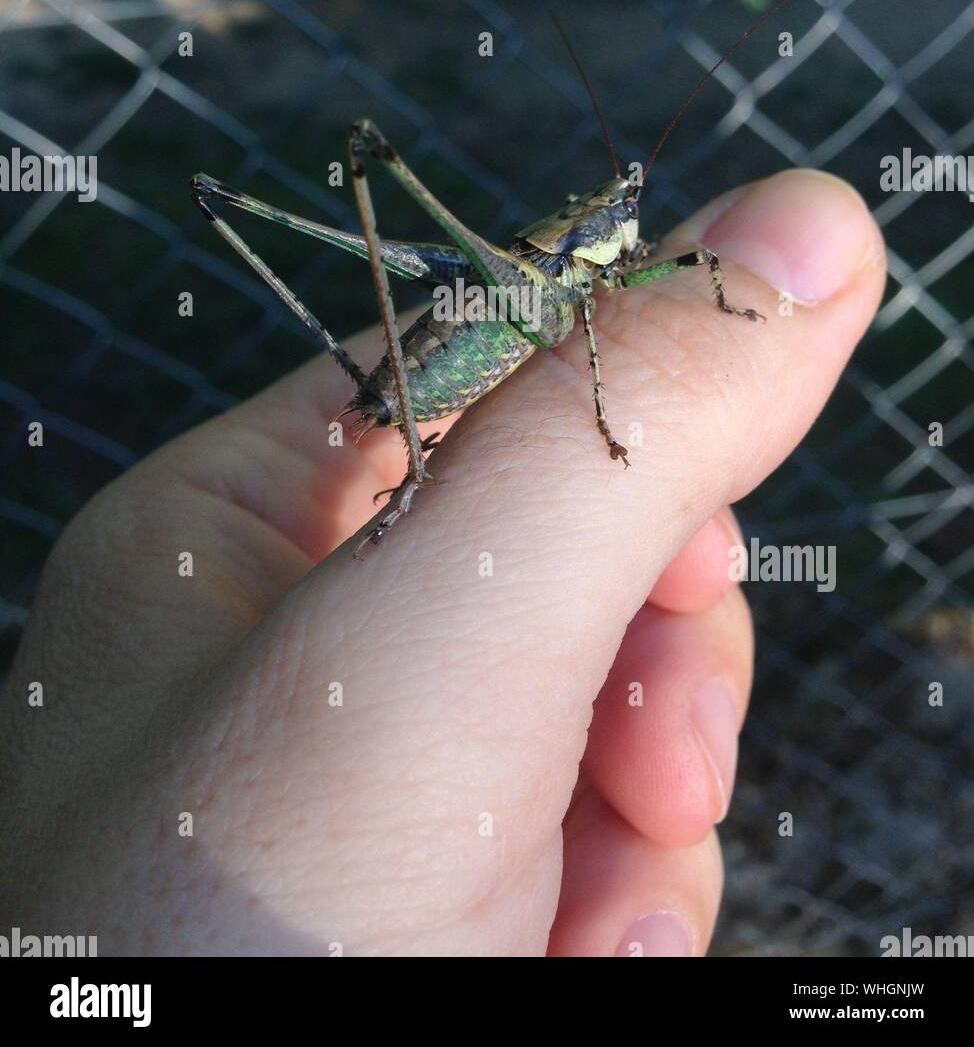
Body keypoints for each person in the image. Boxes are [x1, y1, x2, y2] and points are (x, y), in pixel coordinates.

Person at [0, 168, 884, 957]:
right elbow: (602, 328)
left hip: (500, 309)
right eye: (622, 213)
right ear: (600, 228)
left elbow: (661, 276)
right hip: (502, 313)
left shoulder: (607, 256)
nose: (632, 227)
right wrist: (611, 416)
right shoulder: (581, 275)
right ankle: (414, 452)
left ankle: (396, 418)